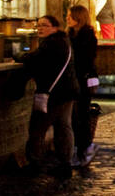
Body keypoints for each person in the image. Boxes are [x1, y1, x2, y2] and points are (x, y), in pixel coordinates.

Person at [18, 14, 78, 179]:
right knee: (63, 127)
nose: (40, 29)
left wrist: (18, 56)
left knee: (38, 127)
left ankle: (34, 163)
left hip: (54, 93)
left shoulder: (53, 44)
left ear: (55, 27)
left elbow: (34, 59)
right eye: (38, 26)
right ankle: (65, 164)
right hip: (66, 91)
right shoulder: (62, 41)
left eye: (44, 25)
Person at [66, 4, 99, 167]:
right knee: (74, 115)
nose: (67, 19)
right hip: (73, 79)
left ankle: (85, 147)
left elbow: (86, 60)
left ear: (78, 17)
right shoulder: (70, 34)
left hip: (83, 79)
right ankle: (79, 149)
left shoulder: (87, 35)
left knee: (81, 114)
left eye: (70, 16)